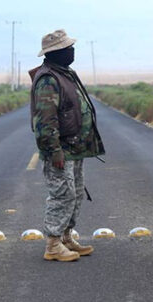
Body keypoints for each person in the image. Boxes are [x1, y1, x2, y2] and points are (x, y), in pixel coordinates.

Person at [29, 29, 105, 262]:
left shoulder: (65, 73)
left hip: (75, 147)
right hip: (61, 149)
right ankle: (53, 244)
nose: (72, 51)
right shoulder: (49, 79)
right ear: (56, 52)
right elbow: (45, 120)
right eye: (68, 48)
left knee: (75, 193)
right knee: (62, 194)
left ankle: (66, 237)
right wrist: (54, 151)